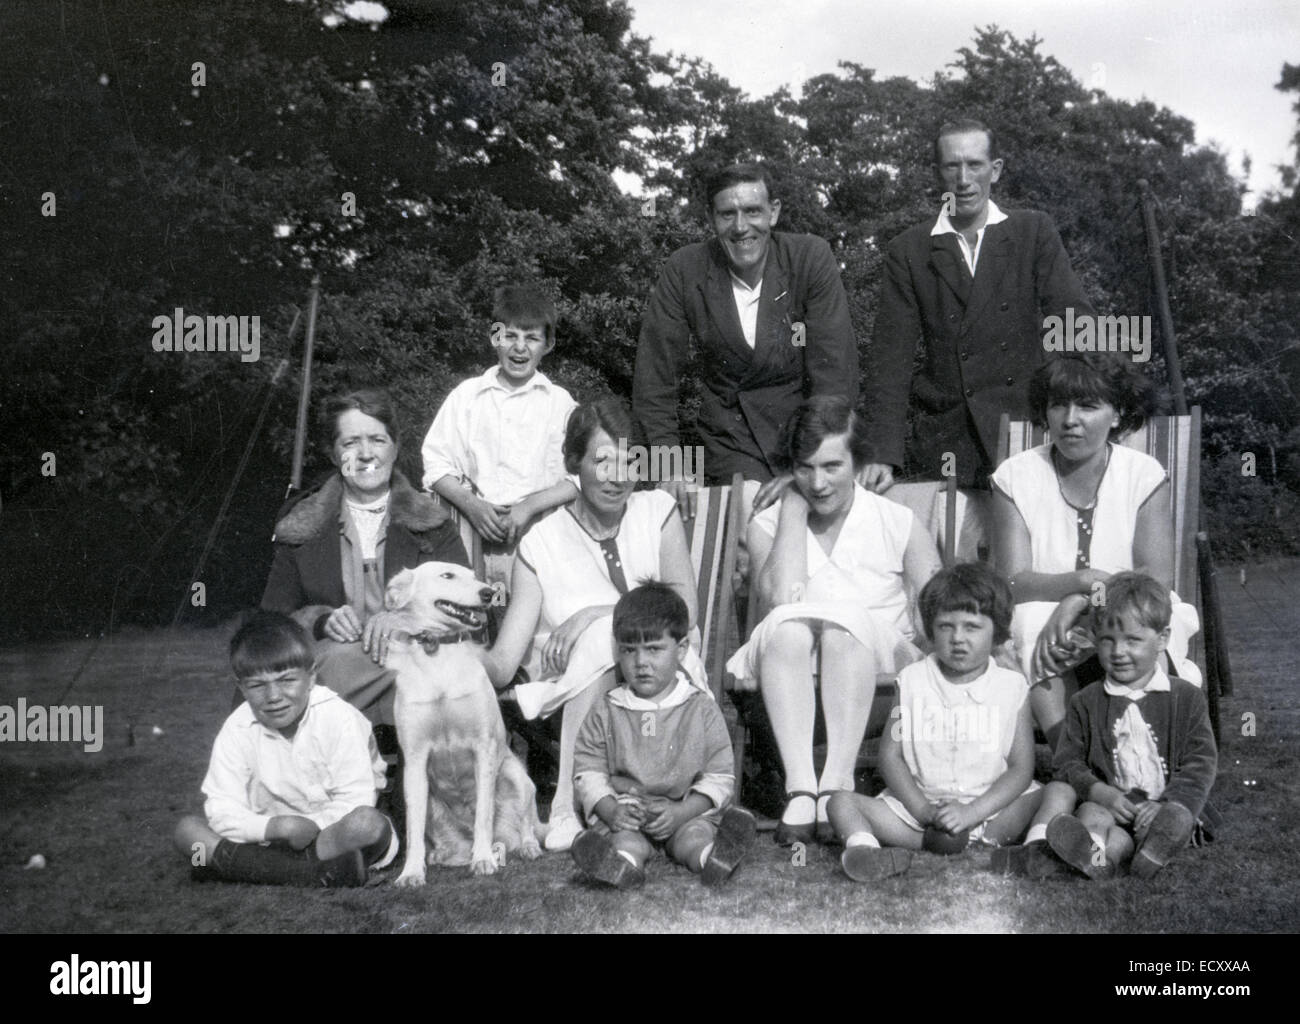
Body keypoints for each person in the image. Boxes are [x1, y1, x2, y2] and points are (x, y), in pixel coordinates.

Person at [478, 397, 706, 852]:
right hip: (569, 695)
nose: (617, 476)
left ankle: (567, 806)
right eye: (602, 460)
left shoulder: (656, 511)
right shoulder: (541, 543)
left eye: (628, 461)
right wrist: (444, 651)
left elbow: (683, 608)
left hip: (666, 676)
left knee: (605, 636)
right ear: (573, 465)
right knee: (604, 645)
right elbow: (504, 663)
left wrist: (593, 614)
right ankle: (581, 806)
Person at [863, 119, 1095, 559]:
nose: (964, 180)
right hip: (952, 440)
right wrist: (882, 452)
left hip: (1027, 431)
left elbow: (1074, 325)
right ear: (937, 173)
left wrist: (1083, 412)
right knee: (963, 582)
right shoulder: (909, 250)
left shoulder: (1032, 231)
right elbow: (889, 359)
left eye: (975, 164)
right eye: (952, 167)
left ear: (997, 169)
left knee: (1037, 567)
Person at [726, 396, 942, 845]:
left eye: (831, 466)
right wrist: (791, 510)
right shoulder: (770, 523)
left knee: (843, 630)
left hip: (879, 677)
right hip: (788, 672)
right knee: (789, 625)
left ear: (857, 461)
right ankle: (803, 788)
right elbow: (782, 600)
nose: (818, 483)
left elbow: (935, 610)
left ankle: (837, 784)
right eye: (804, 468)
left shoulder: (896, 521)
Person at [990, 353, 1200, 747]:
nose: (1070, 420)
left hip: (1135, 605)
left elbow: (1155, 578)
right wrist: (1083, 582)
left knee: (1135, 620)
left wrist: (1080, 602)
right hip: (1043, 614)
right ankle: (1070, 758)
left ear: (1118, 414)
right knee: (1030, 621)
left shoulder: (1142, 473)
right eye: (1059, 405)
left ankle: (1142, 751)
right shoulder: (1014, 476)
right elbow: (1013, 581)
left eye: (1088, 406)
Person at [633, 161, 858, 520]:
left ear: (774, 212)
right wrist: (668, 466)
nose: (741, 227)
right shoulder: (685, 268)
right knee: (753, 527)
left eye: (753, 211)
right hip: (730, 440)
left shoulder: (810, 257)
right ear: (712, 219)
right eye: (727, 214)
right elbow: (655, 377)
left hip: (806, 439)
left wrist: (805, 467)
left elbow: (833, 373)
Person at [261, 387, 468, 726]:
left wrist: (404, 620)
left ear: (396, 448)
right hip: (339, 669)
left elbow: (465, 606)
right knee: (330, 667)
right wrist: (320, 620)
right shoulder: (302, 525)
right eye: (351, 443)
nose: (366, 453)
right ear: (333, 454)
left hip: (413, 663)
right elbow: (271, 619)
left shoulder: (432, 523)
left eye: (378, 440)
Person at [992, 573, 1217, 880]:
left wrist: (1170, 800)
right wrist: (1100, 792)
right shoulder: (1087, 701)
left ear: (1162, 639)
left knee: (1171, 819)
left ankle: (1156, 843)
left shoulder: (1185, 698)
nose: (1119, 651)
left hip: (1165, 802)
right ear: (1094, 640)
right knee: (1093, 818)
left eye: (1133, 641)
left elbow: (1200, 762)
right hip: (1110, 803)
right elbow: (1068, 762)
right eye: (1107, 640)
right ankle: (1098, 859)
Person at [827, 563, 1042, 880]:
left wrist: (971, 812)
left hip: (992, 812)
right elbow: (891, 756)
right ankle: (866, 851)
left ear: (996, 630)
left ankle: (1037, 850)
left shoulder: (1011, 687)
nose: (958, 638)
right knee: (841, 803)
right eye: (945, 626)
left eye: (972, 627)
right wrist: (924, 811)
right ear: (931, 628)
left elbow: (1022, 768)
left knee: (1056, 793)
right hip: (919, 819)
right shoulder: (912, 681)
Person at [174, 612, 397, 886]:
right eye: (257, 685)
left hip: (328, 835)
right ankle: (313, 874)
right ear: (241, 687)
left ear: (312, 677)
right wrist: (275, 827)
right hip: (265, 834)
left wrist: (309, 827)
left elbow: (356, 800)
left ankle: (242, 867)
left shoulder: (340, 718)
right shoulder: (237, 727)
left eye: (287, 680)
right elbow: (221, 807)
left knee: (367, 824)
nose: (274, 697)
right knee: (187, 832)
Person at [568, 582, 756, 888]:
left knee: (694, 837)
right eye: (629, 650)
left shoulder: (701, 709)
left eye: (654, 649)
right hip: (627, 815)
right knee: (625, 841)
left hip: (685, 812)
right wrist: (610, 809)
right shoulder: (606, 710)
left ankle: (713, 859)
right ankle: (622, 866)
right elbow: (588, 771)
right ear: (618, 650)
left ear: (681, 650)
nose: (641, 662)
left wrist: (683, 811)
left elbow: (720, 777)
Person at [420, 284, 578, 588]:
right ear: (496, 337)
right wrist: (472, 506)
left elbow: (581, 476)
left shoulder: (561, 404)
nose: (520, 347)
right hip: (469, 541)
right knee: (478, 619)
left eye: (532, 338)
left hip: (535, 542)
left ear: (549, 344)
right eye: (510, 336)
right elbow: (435, 465)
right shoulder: (466, 396)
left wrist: (528, 507)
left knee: (522, 622)